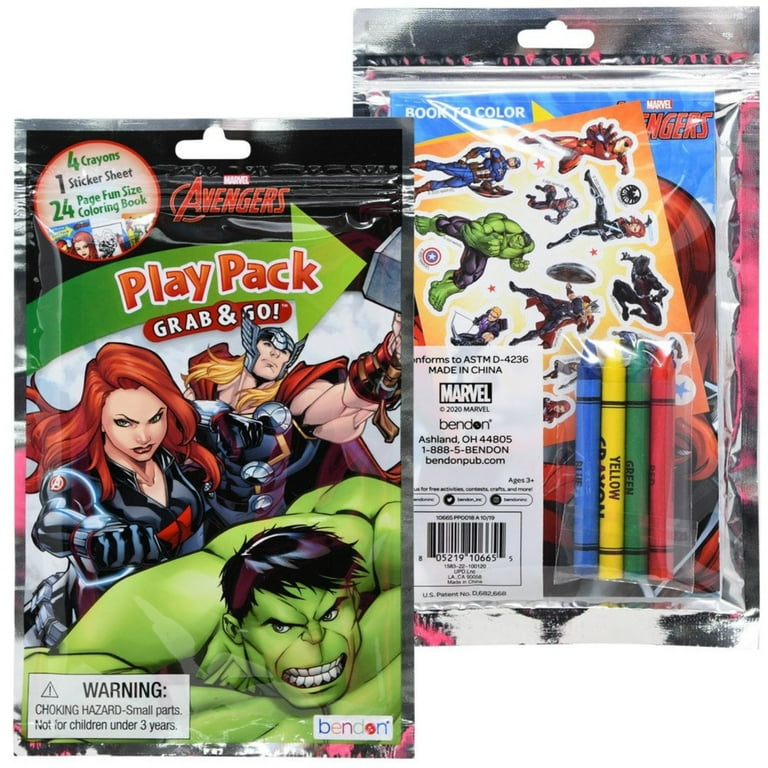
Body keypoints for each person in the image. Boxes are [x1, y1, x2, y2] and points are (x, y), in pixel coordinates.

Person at [23, 476, 403, 747]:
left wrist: (305, 722)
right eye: (283, 626)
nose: (315, 639)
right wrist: (248, 710)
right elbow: (43, 694)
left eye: (331, 616)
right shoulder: (192, 594)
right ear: (234, 630)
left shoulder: (385, 564)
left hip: (369, 517)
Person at [25, 342, 221, 644]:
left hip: (187, 618)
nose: (143, 436)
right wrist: (90, 537)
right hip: (98, 628)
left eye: (155, 418)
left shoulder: (176, 462)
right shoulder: (78, 477)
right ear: (99, 419)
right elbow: (50, 526)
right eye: (124, 423)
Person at [183, 312, 401, 531]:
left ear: (289, 360)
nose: (275, 353)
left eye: (284, 351)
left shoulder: (288, 395)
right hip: (200, 509)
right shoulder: (205, 383)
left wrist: (388, 358)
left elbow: (343, 400)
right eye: (268, 344)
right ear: (252, 342)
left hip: (267, 520)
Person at [415, 211, 535, 312]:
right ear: (517, 234)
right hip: (474, 232)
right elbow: (482, 227)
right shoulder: (507, 226)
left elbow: (516, 258)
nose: (515, 243)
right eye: (517, 239)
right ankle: (431, 224)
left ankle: (447, 287)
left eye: (519, 244)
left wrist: (516, 264)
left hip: (482, 252)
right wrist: (484, 239)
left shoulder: (522, 249)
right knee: (451, 226)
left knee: (472, 274)